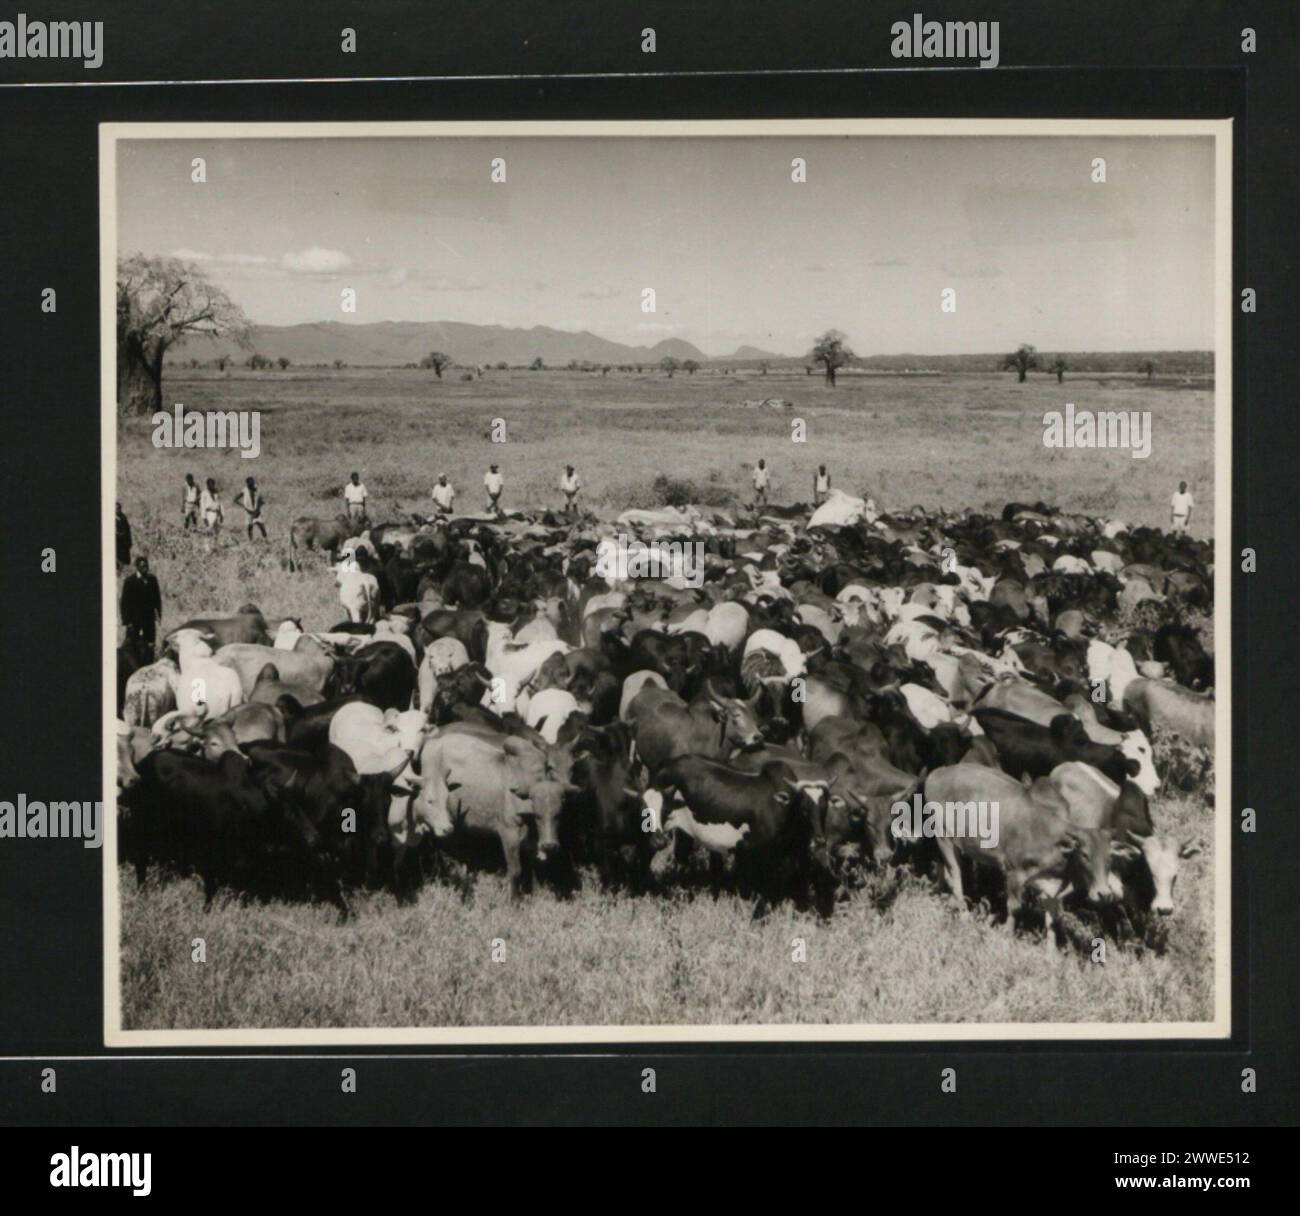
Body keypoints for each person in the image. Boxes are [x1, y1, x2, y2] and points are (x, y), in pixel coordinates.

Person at [120, 555, 162, 658]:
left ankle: (149, 661)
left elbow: (157, 599)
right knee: (132, 643)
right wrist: (127, 621)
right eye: (143, 566)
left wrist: (158, 614)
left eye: (146, 566)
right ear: (137, 567)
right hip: (134, 620)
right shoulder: (129, 581)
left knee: (150, 643)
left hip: (149, 618)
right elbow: (124, 603)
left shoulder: (152, 580)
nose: (145, 568)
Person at [237, 476, 267, 541]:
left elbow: (261, 501)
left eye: (253, 483)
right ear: (247, 484)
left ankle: (266, 539)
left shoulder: (257, 490)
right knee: (250, 527)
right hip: (249, 512)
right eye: (250, 483)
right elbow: (235, 500)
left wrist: (258, 509)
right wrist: (244, 507)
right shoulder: (244, 491)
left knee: (261, 526)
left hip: (257, 512)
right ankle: (251, 541)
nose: (252, 484)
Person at [115, 502, 132, 568]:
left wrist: (129, 543)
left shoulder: (123, 517)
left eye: (119, 508)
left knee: (124, 560)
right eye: (116, 509)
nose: (117, 510)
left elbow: (127, 530)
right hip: (116, 543)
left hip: (123, 543)